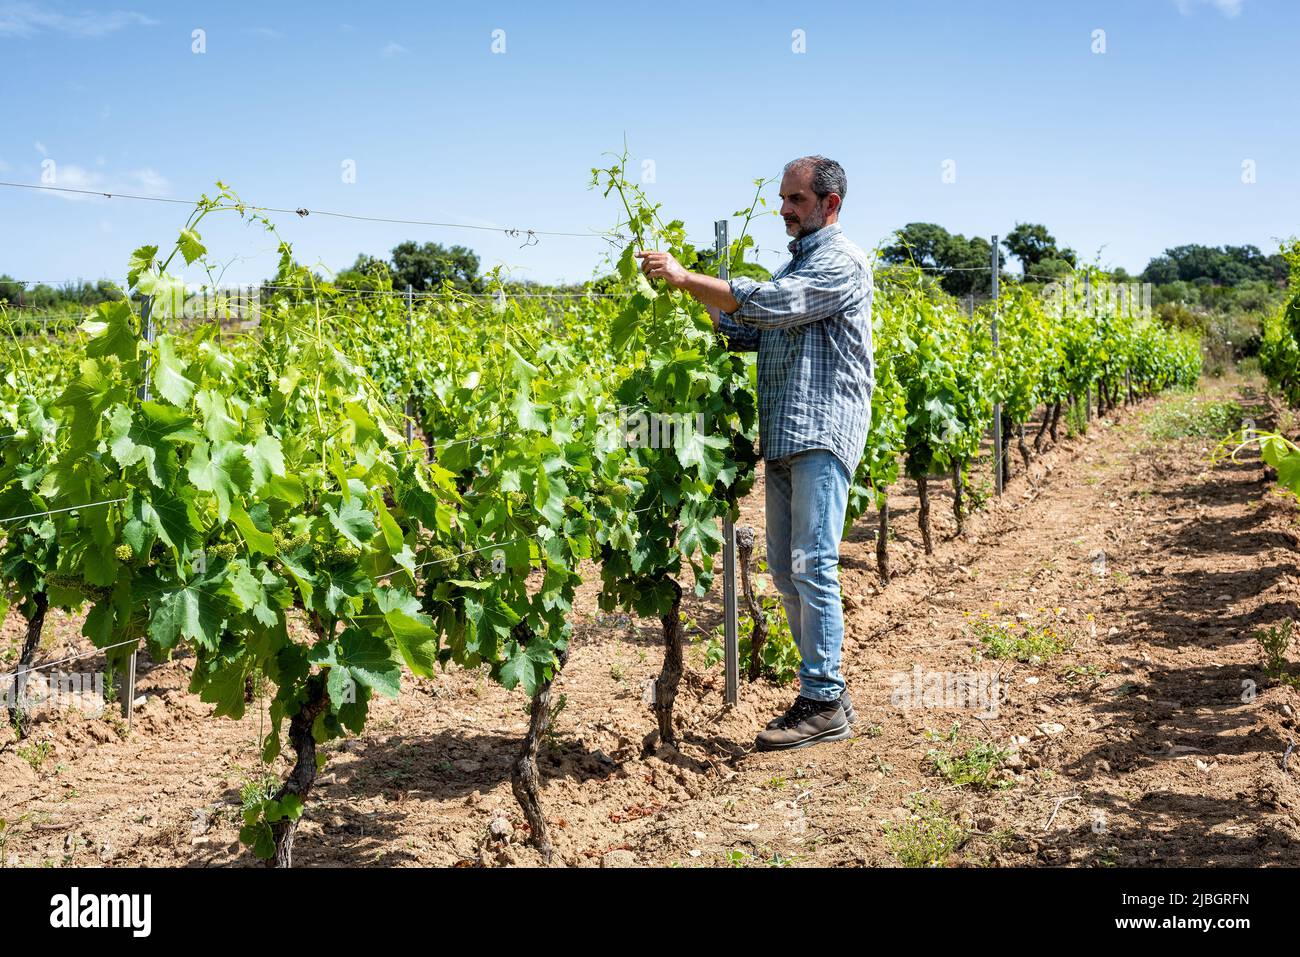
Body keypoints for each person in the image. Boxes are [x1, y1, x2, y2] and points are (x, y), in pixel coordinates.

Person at [636, 155, 874, 752]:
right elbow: (745, 328)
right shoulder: (799, 263)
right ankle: (826, 691)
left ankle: (822, 697)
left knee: (812, 564)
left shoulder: (839, 262)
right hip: (786, 435)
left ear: (830, 204)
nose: (784, 209)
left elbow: (772, 306)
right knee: (786, 570)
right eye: (784, 198)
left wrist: (690, 278)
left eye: (796, 199)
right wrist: (681, 296)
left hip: (822, 430)